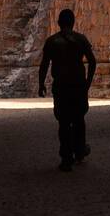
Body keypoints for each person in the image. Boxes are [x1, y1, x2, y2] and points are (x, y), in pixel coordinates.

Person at [37, 9, 97, 171]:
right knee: (78, 119)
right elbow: (92, 61)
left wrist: (41, 84)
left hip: (61, 86)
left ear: (58, 22)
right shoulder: (80, 39)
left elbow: (44, 65)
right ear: (73, 22)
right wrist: (87, 83)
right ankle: (79, 152)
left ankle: (66, 158)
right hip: (78, 86)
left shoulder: (51, 41)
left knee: (63, 122)